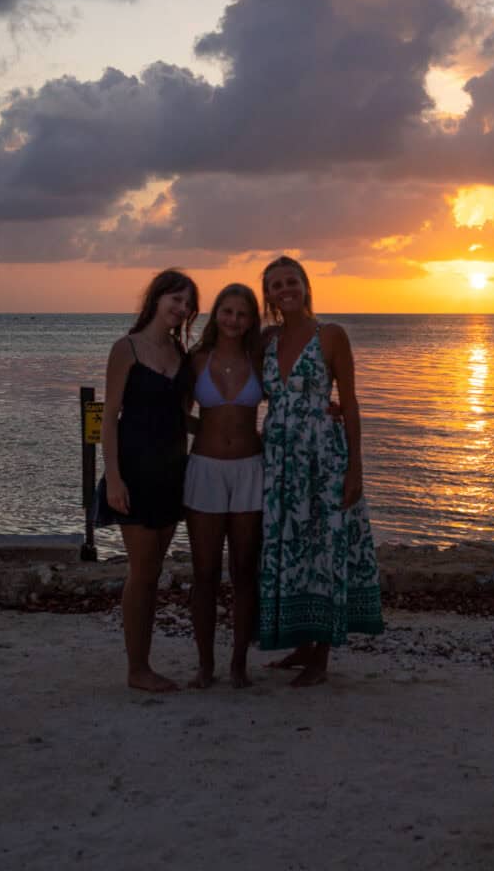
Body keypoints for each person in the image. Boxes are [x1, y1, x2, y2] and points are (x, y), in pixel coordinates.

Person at [259, 256, 383, 686]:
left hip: (324, 458)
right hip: (279, 461)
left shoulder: (330, 335)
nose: (284, 289)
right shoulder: (267, 340)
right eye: (275, 285)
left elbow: (349, 402)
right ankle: (301, 642)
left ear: (306, 286)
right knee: (293, 547)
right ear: (268, 295)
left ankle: (321, 656)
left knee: (325, 547)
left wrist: (356, 469)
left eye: (290, 281)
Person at [96, 268, 199, 692]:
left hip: (174, 471)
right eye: (175, 298)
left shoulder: (184, 357)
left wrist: (235, 434)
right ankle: (137, 669)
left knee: (155, 569)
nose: (181, 308)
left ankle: (143, 663)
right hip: (134, 471)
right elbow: (109, 419)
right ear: (156, 298)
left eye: (189, 304)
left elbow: (181, 419)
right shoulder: (127, 349)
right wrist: (114, 478)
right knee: (141, 571)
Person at [184, 284, 264, 689]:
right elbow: (178, 414)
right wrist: (212, 429)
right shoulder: (197, 360)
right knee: (205, 572)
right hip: (205, 471)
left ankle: (238, 664)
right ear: (216, 314)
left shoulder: (260, 359)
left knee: (245, 570)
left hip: (251, 470)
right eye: (227, 312)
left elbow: (287, 401)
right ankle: (204, 665)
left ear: (252, 320)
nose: (234, 320)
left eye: (243, 314)